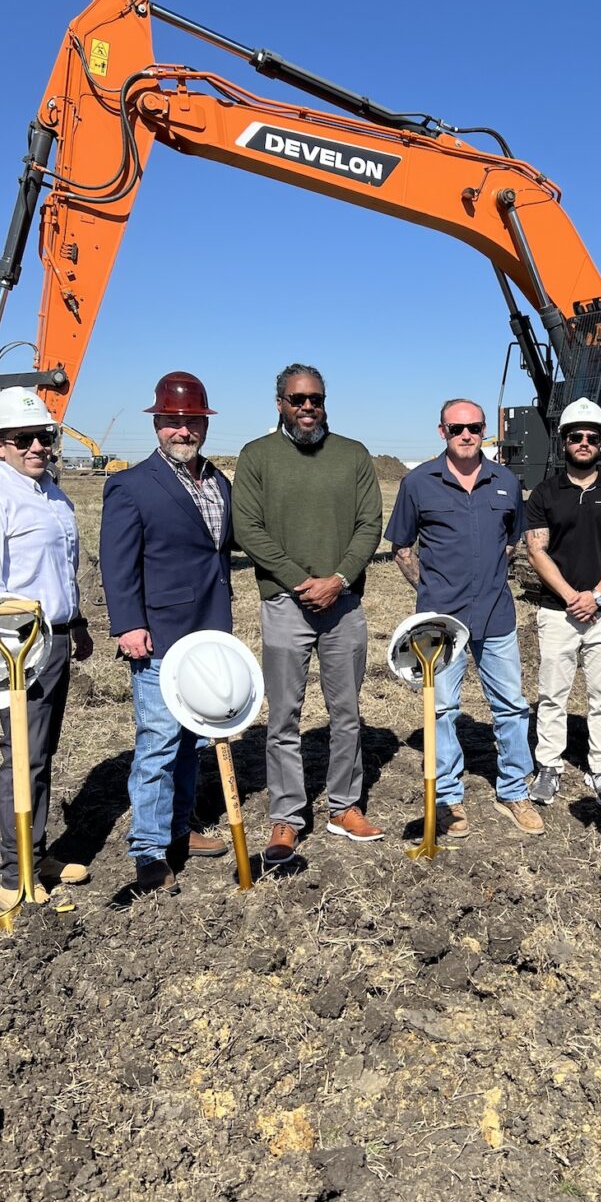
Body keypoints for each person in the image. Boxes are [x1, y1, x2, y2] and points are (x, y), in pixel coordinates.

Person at [232, 365, 383, 864]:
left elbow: (369, 524)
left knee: (347, 713)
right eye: (297, 399)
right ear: (279, 403)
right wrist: (301, 582)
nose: (307, 407)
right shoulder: (257, 456)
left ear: (325, 401)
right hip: (284, 603)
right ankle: (287, 817)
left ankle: (344, 806)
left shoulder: (354, 455)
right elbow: (248, 529)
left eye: (315, 398)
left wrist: (338, 580)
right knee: (284, 717)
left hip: (345, 604)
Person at [0, 388, 94, 907]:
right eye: (24, 439)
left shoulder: (54, 495)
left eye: (45, 437)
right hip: (19, 648)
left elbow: (60, 573)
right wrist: (19, 651)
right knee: (22, 757)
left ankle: (37, 853)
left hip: (55, 639)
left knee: (41, 753)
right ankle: (17, 876)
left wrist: (75, 624)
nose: (37, 446)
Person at [100, 371, 233, 893]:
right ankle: (150, 852)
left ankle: (180, 829)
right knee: (158, 742)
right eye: (173, 422)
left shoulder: (218, 482)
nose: (183, 431)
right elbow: (118, 562)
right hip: (157, 634)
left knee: (193, 742)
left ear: (204, 423)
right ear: (157, 424)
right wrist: (128, 623)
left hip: (208, 635)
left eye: (192, 421)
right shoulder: (130, 485)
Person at [386, 398, 543, 837]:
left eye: (474, 427)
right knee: (441, 708)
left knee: (511, 705)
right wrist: (430, 591)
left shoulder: (505, 481)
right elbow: (402, 548)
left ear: (484, 429)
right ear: (442, 432)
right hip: (440, 623)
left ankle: (514, 790)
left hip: (496, 616)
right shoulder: (418, 483)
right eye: (457, 429)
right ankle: (450, 800)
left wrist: (487, 580)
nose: (467, 435)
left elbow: (511, 543)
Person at [524, 398, 601, 809]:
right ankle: (549, 766)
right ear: (563, 442)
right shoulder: (544, 493)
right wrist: (572, 596)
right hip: (558, 612)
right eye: (576, 436)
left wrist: (597, 595)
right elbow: (537, 551)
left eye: (592, 437)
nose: (584, 442)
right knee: (553, 693)